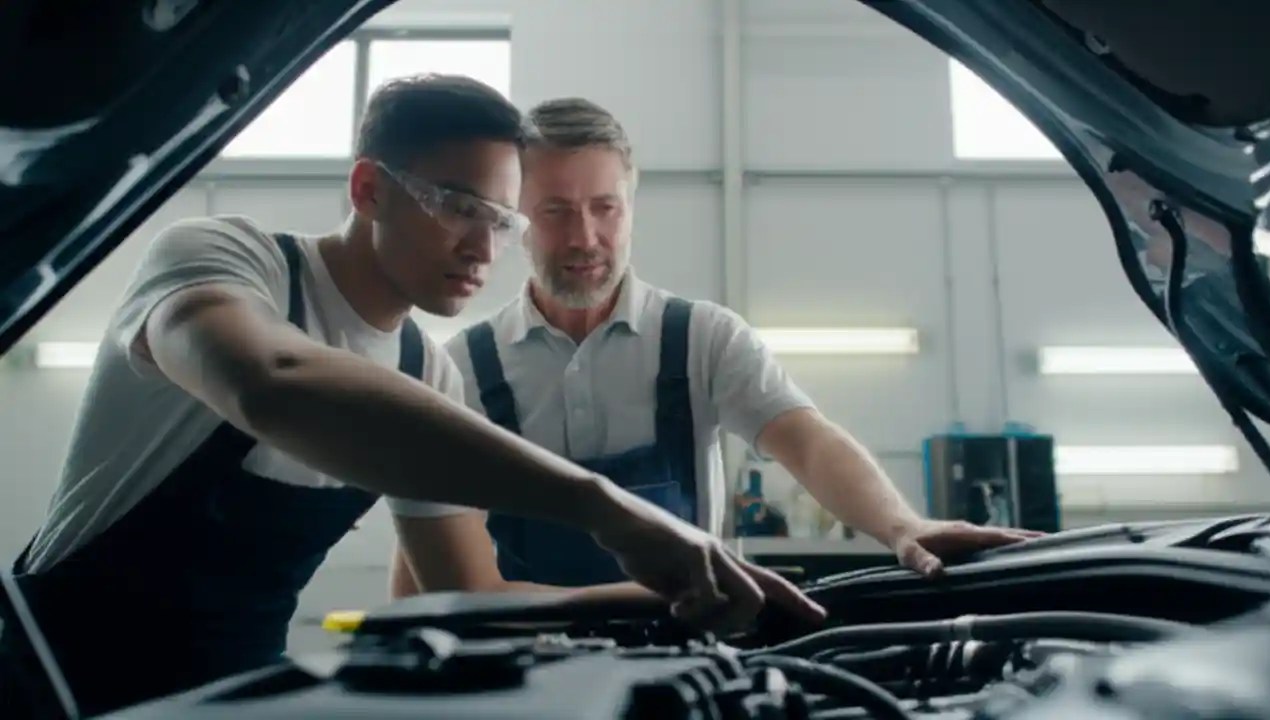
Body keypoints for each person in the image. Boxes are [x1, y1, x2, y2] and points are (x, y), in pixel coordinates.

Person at [1, 76, 823, 717]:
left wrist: (690, 583)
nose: (482, 247)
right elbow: (274, 386)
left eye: (501, 222)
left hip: (236, 695)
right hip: (53, 682)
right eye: (458, 207)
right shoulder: (225, 259)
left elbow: (471, 591)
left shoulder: (428, 370)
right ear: (368, 189)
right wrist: (605, 506)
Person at [389, 97, 1044, 598]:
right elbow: (427, 554)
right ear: (517, 218)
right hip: (520, 676)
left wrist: (902, 526)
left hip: (687, 657)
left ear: (632, 205)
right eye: (555, 211)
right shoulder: (464, 368)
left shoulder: (701, 339)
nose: (585, 236)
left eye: (605, 207)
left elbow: (807, 440)